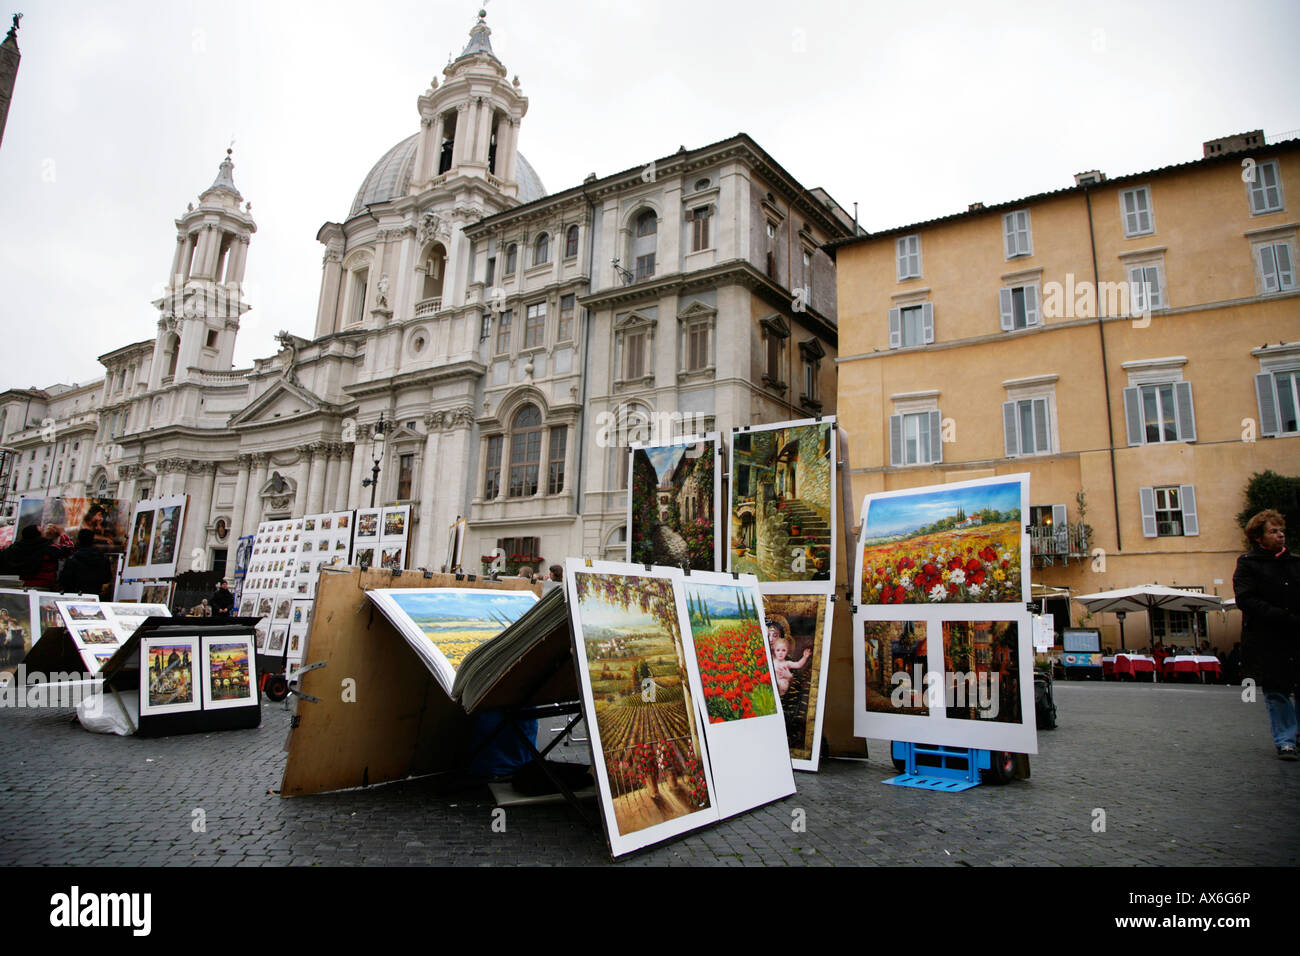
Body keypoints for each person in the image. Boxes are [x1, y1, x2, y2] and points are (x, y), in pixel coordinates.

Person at [1232, 509, 1300, 761]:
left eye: (1281, 530)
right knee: (1277, 690)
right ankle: (1286, 740)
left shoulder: (1295, 562)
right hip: (1267, 637)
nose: (1281, 535)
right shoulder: (1248, 564)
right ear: (1258, 537)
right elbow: (1246, 599)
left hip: (1296, 635)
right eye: (1273, 531)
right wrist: (1280, 615)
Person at [0, 524, 70, 589]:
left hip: (18, 586)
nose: (44, 532)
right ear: (38, 535)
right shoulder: (48, 548)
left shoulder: (14, 548)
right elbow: (68, 549)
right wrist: (62, 533)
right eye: (42, 531)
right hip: (42, 587)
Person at [57, 528, 113, 597]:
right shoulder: (103, 558)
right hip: (94, 594)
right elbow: (107, 578)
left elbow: (64, 580)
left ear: (79, 540)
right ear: (92, 540)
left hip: (75, 594)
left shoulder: (72, 559)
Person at [768, 624, 810, 695]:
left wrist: (790, 676)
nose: (770, 639)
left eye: (775, 636)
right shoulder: (769, 659)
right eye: (768, 635)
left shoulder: (787, 662)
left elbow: (798, 665)